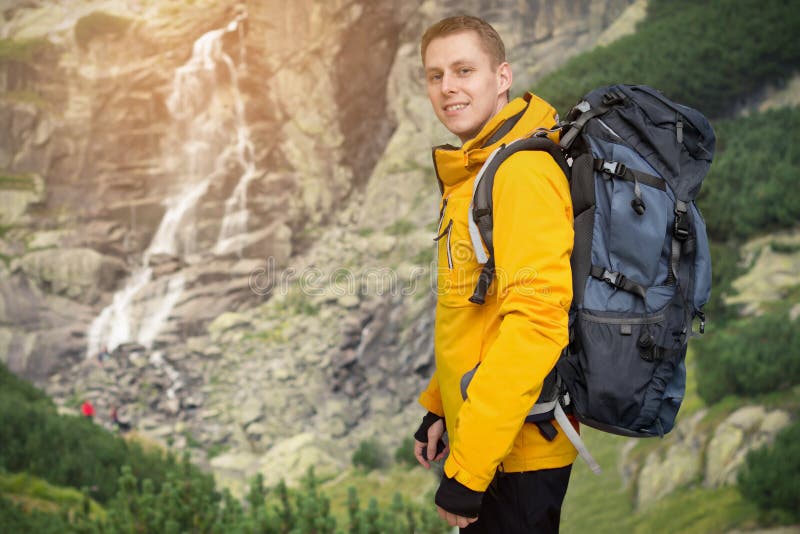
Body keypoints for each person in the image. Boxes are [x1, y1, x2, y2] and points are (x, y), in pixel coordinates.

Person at [412, 15, 577, 533]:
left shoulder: (521, 173)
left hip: (516, 453)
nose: (447, 87)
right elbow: (474, 311)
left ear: (502, 76)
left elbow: (536, 325)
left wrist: (470, 468)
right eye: (435, 75)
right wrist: (441, 406)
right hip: (493, 441)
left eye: (464, 70)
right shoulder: (475, 170)